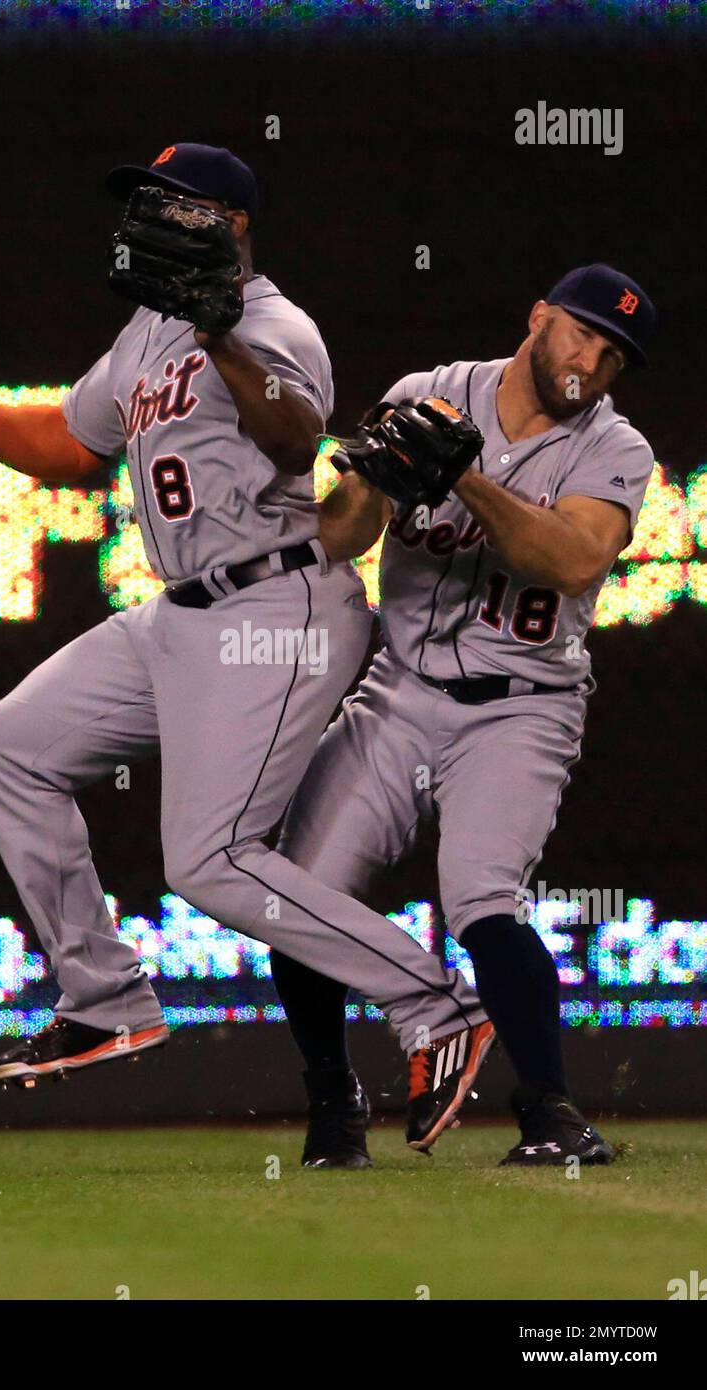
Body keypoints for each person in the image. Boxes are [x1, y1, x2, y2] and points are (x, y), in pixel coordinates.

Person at [0, 142, 492, 1154]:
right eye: (146, 201)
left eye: (175, 204)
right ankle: (104, 997)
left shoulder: (272, 323)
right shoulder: (144, 331)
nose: (152, 218)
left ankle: (436, 1007)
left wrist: (220, 335)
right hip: (176, 614)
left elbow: (294, 435)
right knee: (7, 748)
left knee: (211, 861)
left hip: (275, 603)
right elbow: (70, 444)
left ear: (233, 225)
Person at [275, 263, 657, 1166]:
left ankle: (551, 1113)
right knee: (295, 896)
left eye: (613, 354)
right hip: (399, 691)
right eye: (582, 333)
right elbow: (345, 534)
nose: (590, 362)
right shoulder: (430, 391)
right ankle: (334, 1102)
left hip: (521, 707)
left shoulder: (616, 448)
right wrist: (366, 474)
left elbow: (571, 562)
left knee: (483, 901)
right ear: (539, 318)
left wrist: (465, 478)